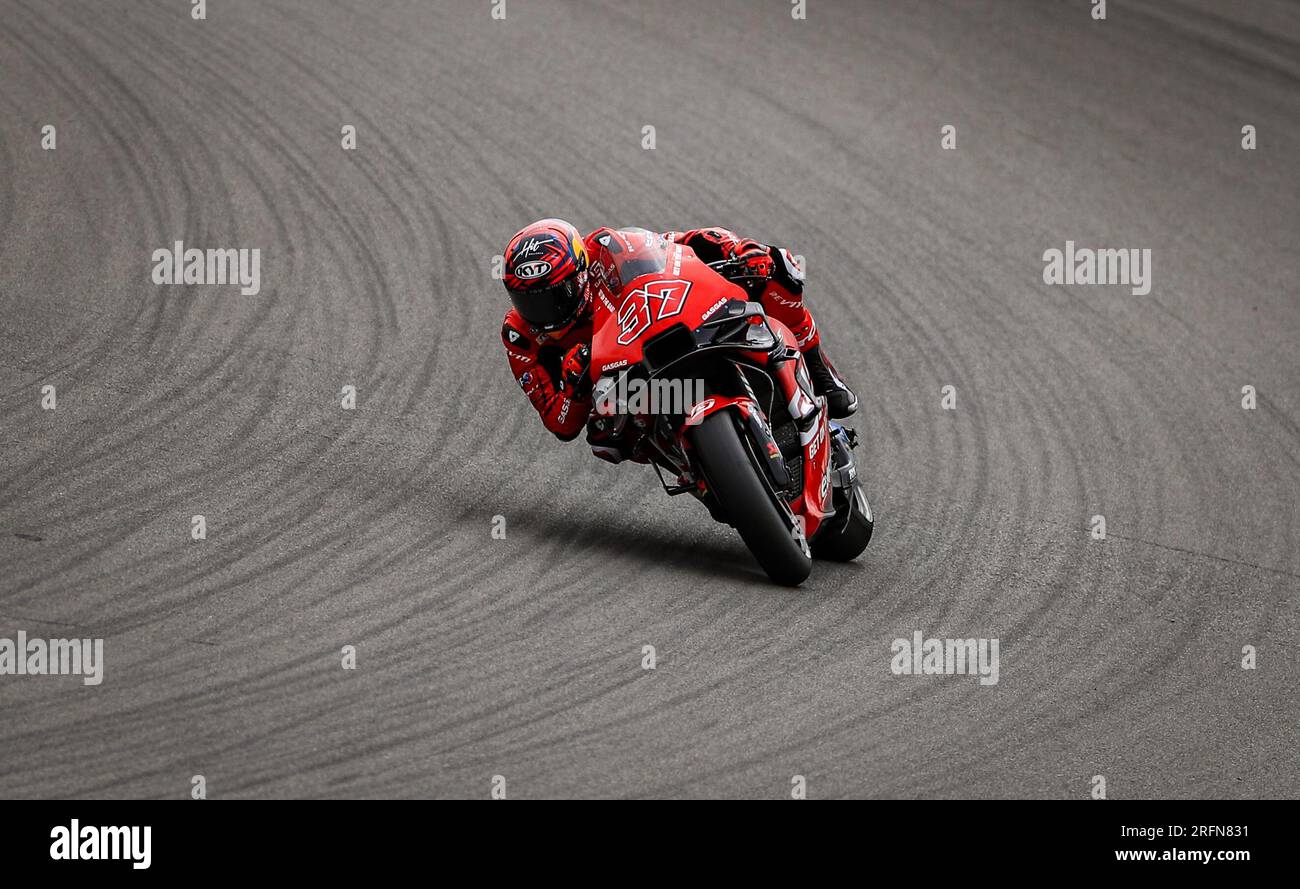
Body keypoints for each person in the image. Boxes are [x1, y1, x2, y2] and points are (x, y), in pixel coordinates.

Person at [499, 218, 857, 449]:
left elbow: (676, 246)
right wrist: (575, 388)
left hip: (662, 328)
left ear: (580, 273)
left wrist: (735, 249)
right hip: (625, 398)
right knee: (607, 440)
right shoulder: (520, 336)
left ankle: (820, 370)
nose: (543, 312)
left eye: (553, 295)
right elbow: (559, 424)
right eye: (528, 301)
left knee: (777, 271)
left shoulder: (605, 248)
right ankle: (706, 472)